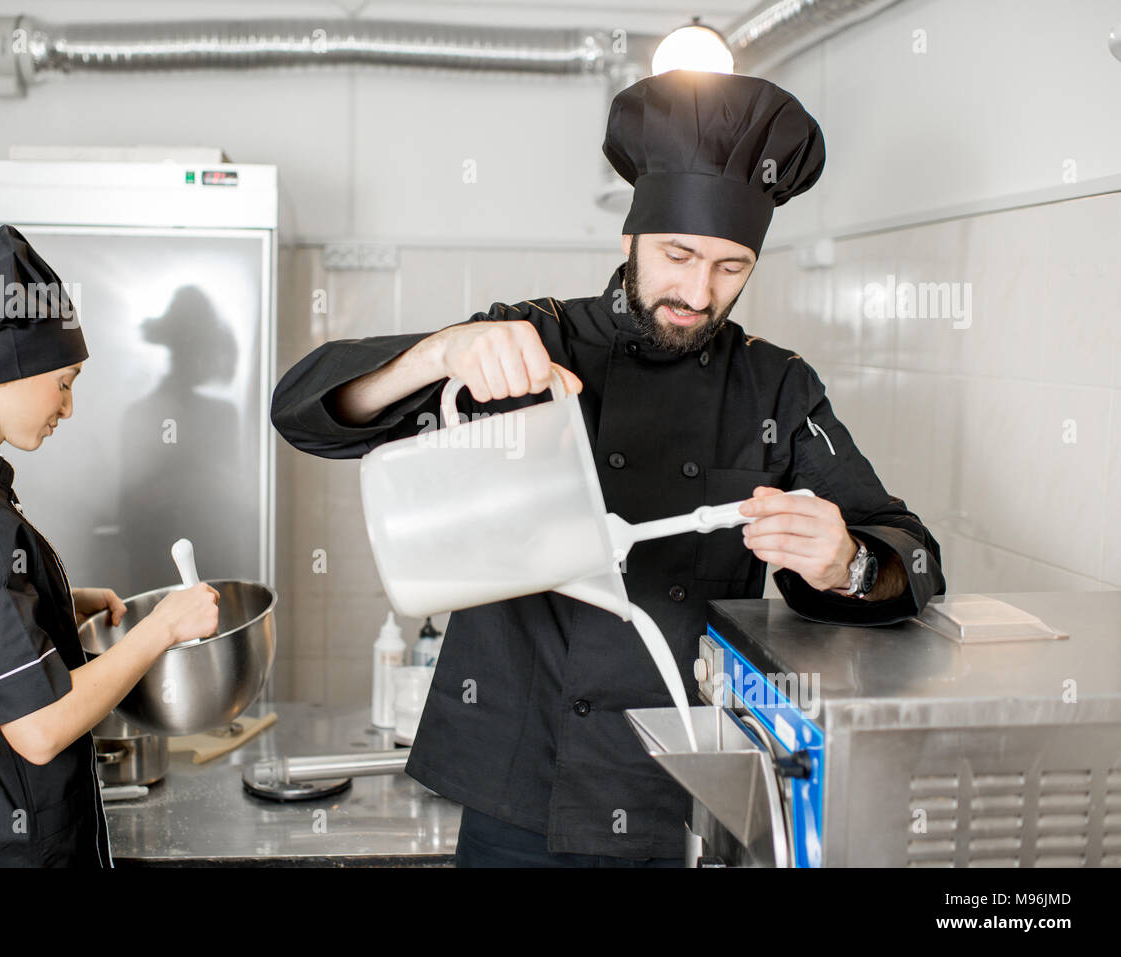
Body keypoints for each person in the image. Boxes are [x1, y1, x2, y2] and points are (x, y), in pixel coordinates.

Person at [270, 70, 946, 866]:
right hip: (520, 796)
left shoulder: (776, 386)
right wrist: (442, 352)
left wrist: (852, 562)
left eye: (730, 267)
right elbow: (302, 409)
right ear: (628, 236)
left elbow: (915, 552)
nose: (697, 291)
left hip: (682, 800)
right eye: (678, 254)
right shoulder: (532, 342)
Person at [0, 225, 220, 866]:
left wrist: (53, 602)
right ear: (8, 367)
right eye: (64, 381)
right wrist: (164, 627)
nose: (68, 405)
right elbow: (38, 728)